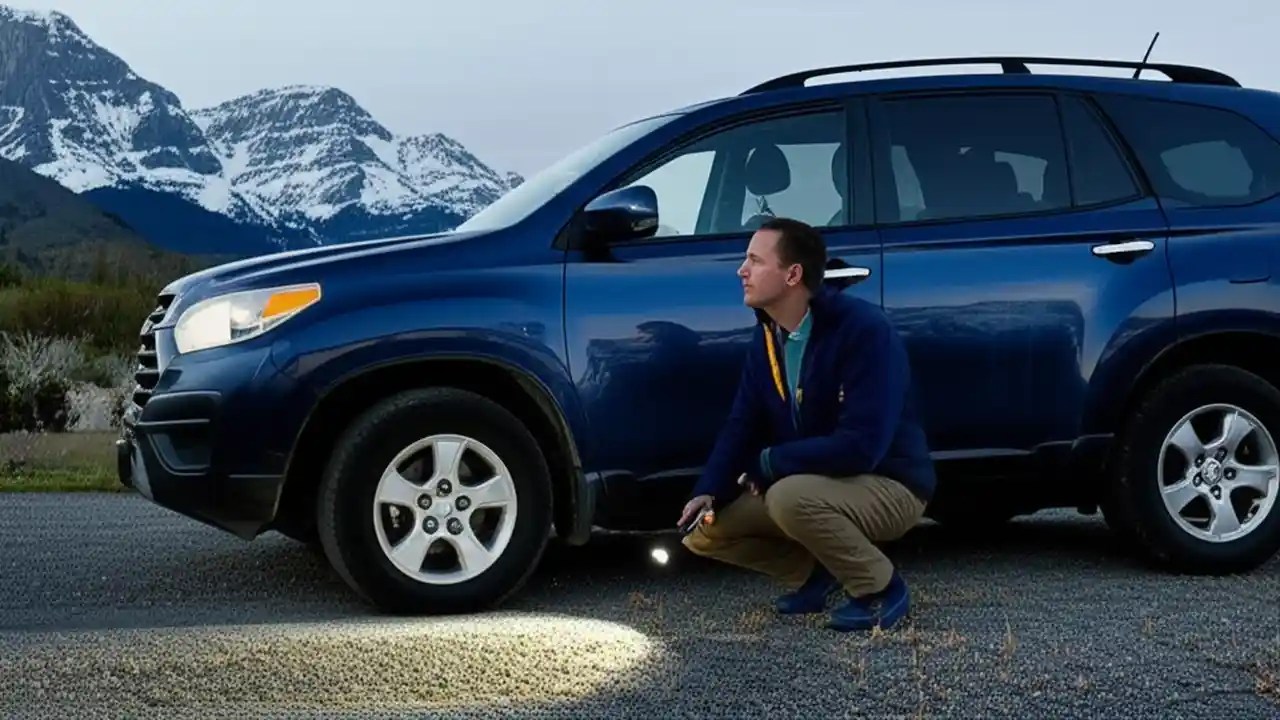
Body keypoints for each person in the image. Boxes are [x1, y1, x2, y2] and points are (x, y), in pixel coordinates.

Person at [677, 217, 936, 632]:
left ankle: (880, 589)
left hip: (891, 483)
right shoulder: (769, 337)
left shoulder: (863, 330)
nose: (742, 271)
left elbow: (863, 447)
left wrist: (771, 462)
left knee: (787, 497)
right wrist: (708, 490)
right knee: (706, 531)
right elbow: (742, 423)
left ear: (793, 274)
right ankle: (819, 574)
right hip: (817, 480)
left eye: (755, 261)